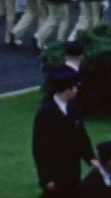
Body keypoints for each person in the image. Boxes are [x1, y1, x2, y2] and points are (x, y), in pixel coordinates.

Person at [32, 66, 98, 196]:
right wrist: (47, 178)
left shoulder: (74, 107)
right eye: (75, 86)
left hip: (73, 169)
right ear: (67, 90)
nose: (77, 89)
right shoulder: (45, 113)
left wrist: (90, 158)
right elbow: (39, 148)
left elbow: (81, 136)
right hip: (55, 172)